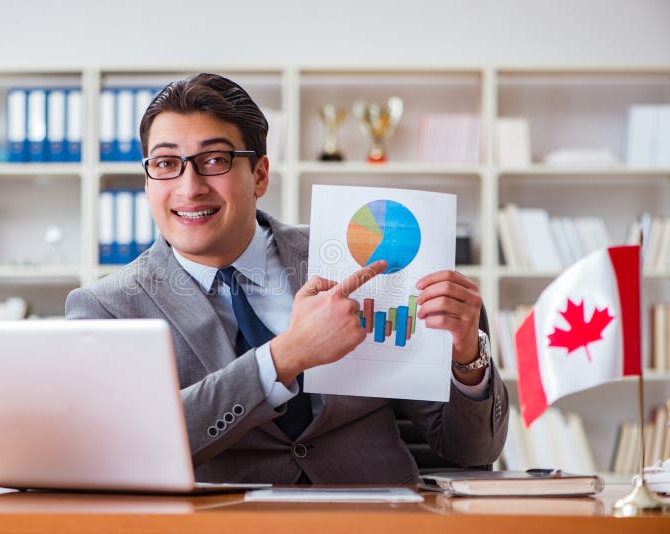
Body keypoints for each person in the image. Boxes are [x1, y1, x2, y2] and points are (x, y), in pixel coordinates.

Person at [66, 73, 508, 484]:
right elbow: (125, 449)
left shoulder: (359, 257)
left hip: (378, 520)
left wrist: (467, 361)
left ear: (259, 175)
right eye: (165, 164)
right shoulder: (107, 308)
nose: (189, 186)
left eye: (214, 160)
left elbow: (470, 451)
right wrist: (284, 357)